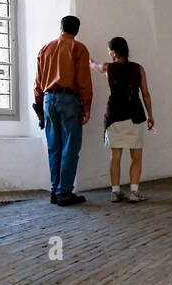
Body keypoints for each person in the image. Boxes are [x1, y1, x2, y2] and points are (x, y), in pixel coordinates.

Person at [34, 16, 93, 205]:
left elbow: (38, 82)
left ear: (61, 28)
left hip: (48, 100)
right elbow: (83, 81)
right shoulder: (78, 48)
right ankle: (64, 193)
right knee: (70, 147)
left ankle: (55, 189)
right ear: (77, 30)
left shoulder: (45, 49)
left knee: (54, 147)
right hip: (69, 100)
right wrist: (86, 106)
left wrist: (40, 108)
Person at [90, 36, 154, 203]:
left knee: (116, 156)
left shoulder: (108, 68)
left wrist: (88, 59)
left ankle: (115, 191)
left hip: (115, 116)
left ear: (113, 53)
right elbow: (145, 93)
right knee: (136, 157)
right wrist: (150, 115)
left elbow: (93, 65)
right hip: (135, 115)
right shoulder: (138, 69)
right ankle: (134, 192)